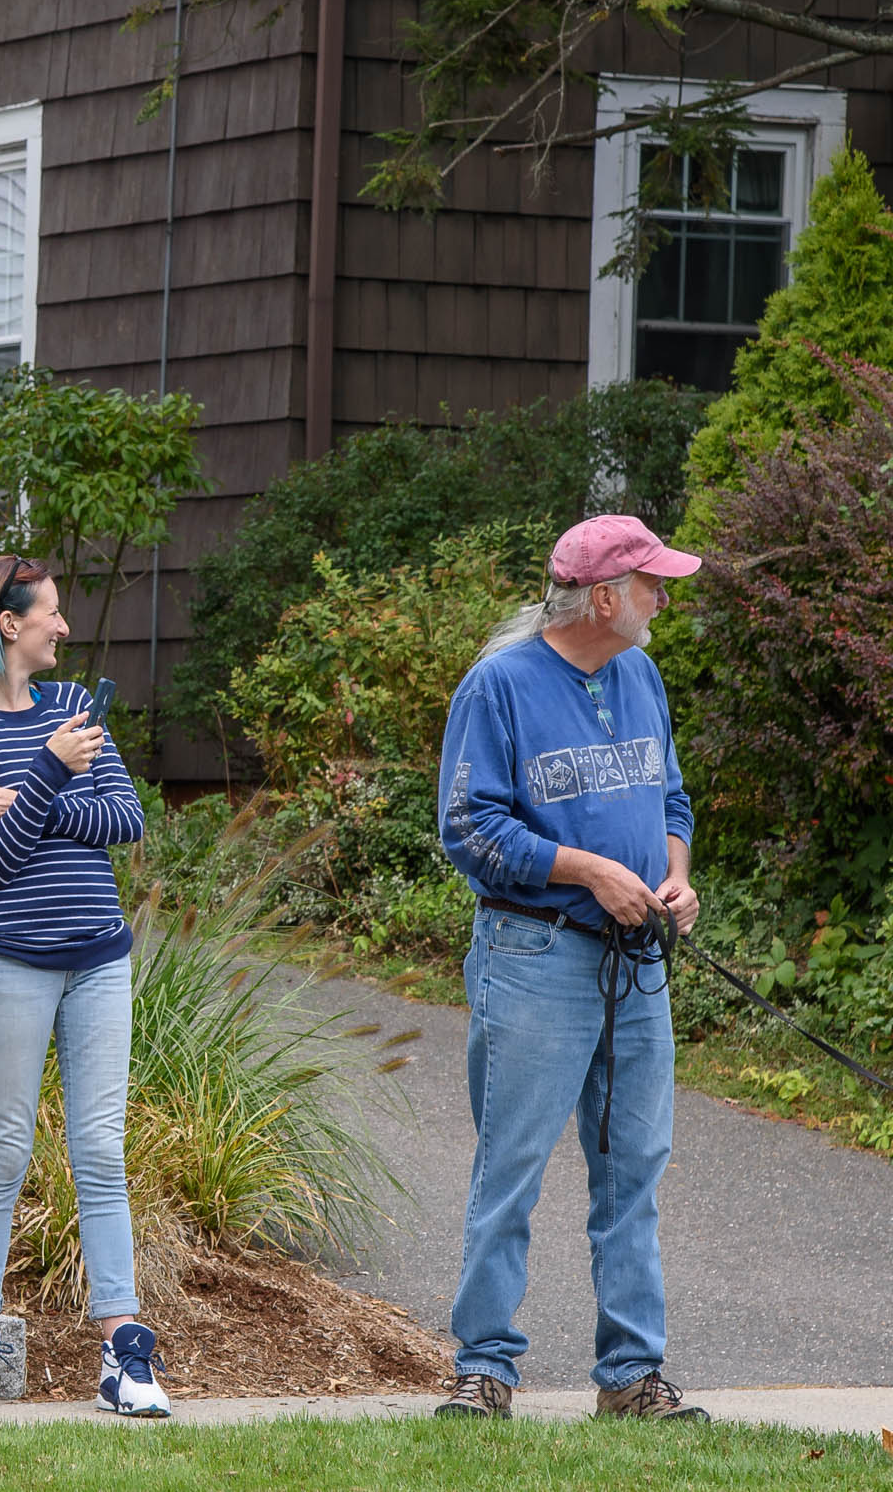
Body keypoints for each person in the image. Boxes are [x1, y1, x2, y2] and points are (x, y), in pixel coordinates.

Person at [434, 514, 707, 1422]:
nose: (663, 597)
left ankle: (632, 1376)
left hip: (637, 963)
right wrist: (586, 868)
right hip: (534, 954)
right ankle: (484, 1370)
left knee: (634, 1168)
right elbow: (469, 827)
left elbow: (669, 791)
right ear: (604, 595)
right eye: (652, 583)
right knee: (509, 1166)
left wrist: (674, 874)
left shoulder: (640, 673)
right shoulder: (499, 686)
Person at [0, 555, 165, 1414]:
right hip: (5, 961)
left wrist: (30, 791)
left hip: (99, 957)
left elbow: (124, 820)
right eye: (50, 613)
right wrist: (58, 775)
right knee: (7, 1148)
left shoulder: (72, 708)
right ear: (6, 624)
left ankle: (124, 1348)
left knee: (101, 1152)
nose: (64, 626)